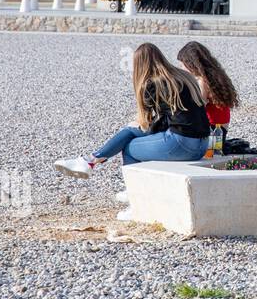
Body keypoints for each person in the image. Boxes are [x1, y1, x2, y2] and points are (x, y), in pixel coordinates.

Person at [55, 44, 211, 216]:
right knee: (131, 132)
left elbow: (152, 121)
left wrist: (137, 126)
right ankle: (90, 161)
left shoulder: (153, 83)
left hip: (182, 144)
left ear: (140, 65)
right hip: (202, 144)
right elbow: (172, 118)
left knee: (129, 147)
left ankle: (136, 204)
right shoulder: (182, 76)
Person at [177, 41, 243, 154]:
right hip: (220, 130)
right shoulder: (214, 76)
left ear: (191, 64)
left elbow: (196, 108)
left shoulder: (203, 82)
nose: (181, 67)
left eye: (182, 64)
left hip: (213, 133)